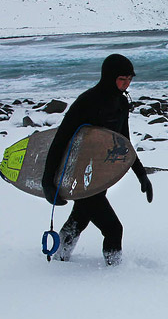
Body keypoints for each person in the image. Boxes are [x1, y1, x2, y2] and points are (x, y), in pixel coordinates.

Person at [41, 53, 153, 265]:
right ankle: (113, 270)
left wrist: (141, 175)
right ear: (109, 76)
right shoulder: (87, 101)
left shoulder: (121, 103)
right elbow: (60, 141)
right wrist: (48, 181)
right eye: (122, 79)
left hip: (99, 175)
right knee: (113, 228)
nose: (126, 83)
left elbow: (124, 143)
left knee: (79, 219)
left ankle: (59, 260)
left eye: (130, 79)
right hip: (80, 175)